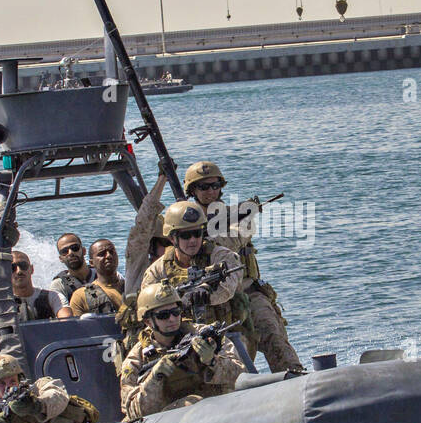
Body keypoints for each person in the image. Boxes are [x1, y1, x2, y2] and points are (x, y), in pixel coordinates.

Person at [184, 160, 302, 373]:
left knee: (273, 335)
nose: (211, 191)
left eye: (215, 185)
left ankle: (294, 375)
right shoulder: (185, 222)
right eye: (203, 187)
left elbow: (235, 238)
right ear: (193, 190)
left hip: (248, 291)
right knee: (224, 356)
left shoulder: (240, 215)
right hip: (211, 298)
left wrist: (205, 236)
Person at [118, 283, 245, 420]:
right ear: (148, 322)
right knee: (191, 403)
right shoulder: (137, 358)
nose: (172, 319)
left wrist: (213, 361)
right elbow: (132, 413)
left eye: (176, 312)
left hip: (219, 413)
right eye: (163, 315)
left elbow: (242, 376)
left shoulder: (205, 336)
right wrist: (154, 378)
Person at [139, 200, 250, 336]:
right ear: (172, 238)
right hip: (179, 336)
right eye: (185, 236)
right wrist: (183, 300)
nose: (193, 240)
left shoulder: (222, 256)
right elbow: (150, 306)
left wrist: (205, 291)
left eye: (197, 233)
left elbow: (228, 289)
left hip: (225, 332)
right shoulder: (157, 271)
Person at [124, 172, 170, 295]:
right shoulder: (138, 268)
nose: (172, 248)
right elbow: (142, 227)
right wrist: (162, 179)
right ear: (151, 247)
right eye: (166, 243)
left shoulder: (181, 268)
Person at [8, 250, 73, 321]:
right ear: (5, 272)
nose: (19, 271)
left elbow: (66, 322)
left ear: (32, 269)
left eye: (23, 265)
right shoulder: (2, 304)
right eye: (12, 267)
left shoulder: (54, 297)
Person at [68, 239, 125, 316]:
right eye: (102, 254)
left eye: (112, 252)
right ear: (91, 263)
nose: (109, 256)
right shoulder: (80, 296)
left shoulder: (134, 288)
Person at [47, 233, 96, 301]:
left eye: (74, 248)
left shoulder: (102, 274)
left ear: (84, 251)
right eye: (64, 251)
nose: (70, 253)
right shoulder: (59, 285)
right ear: (61, 259)